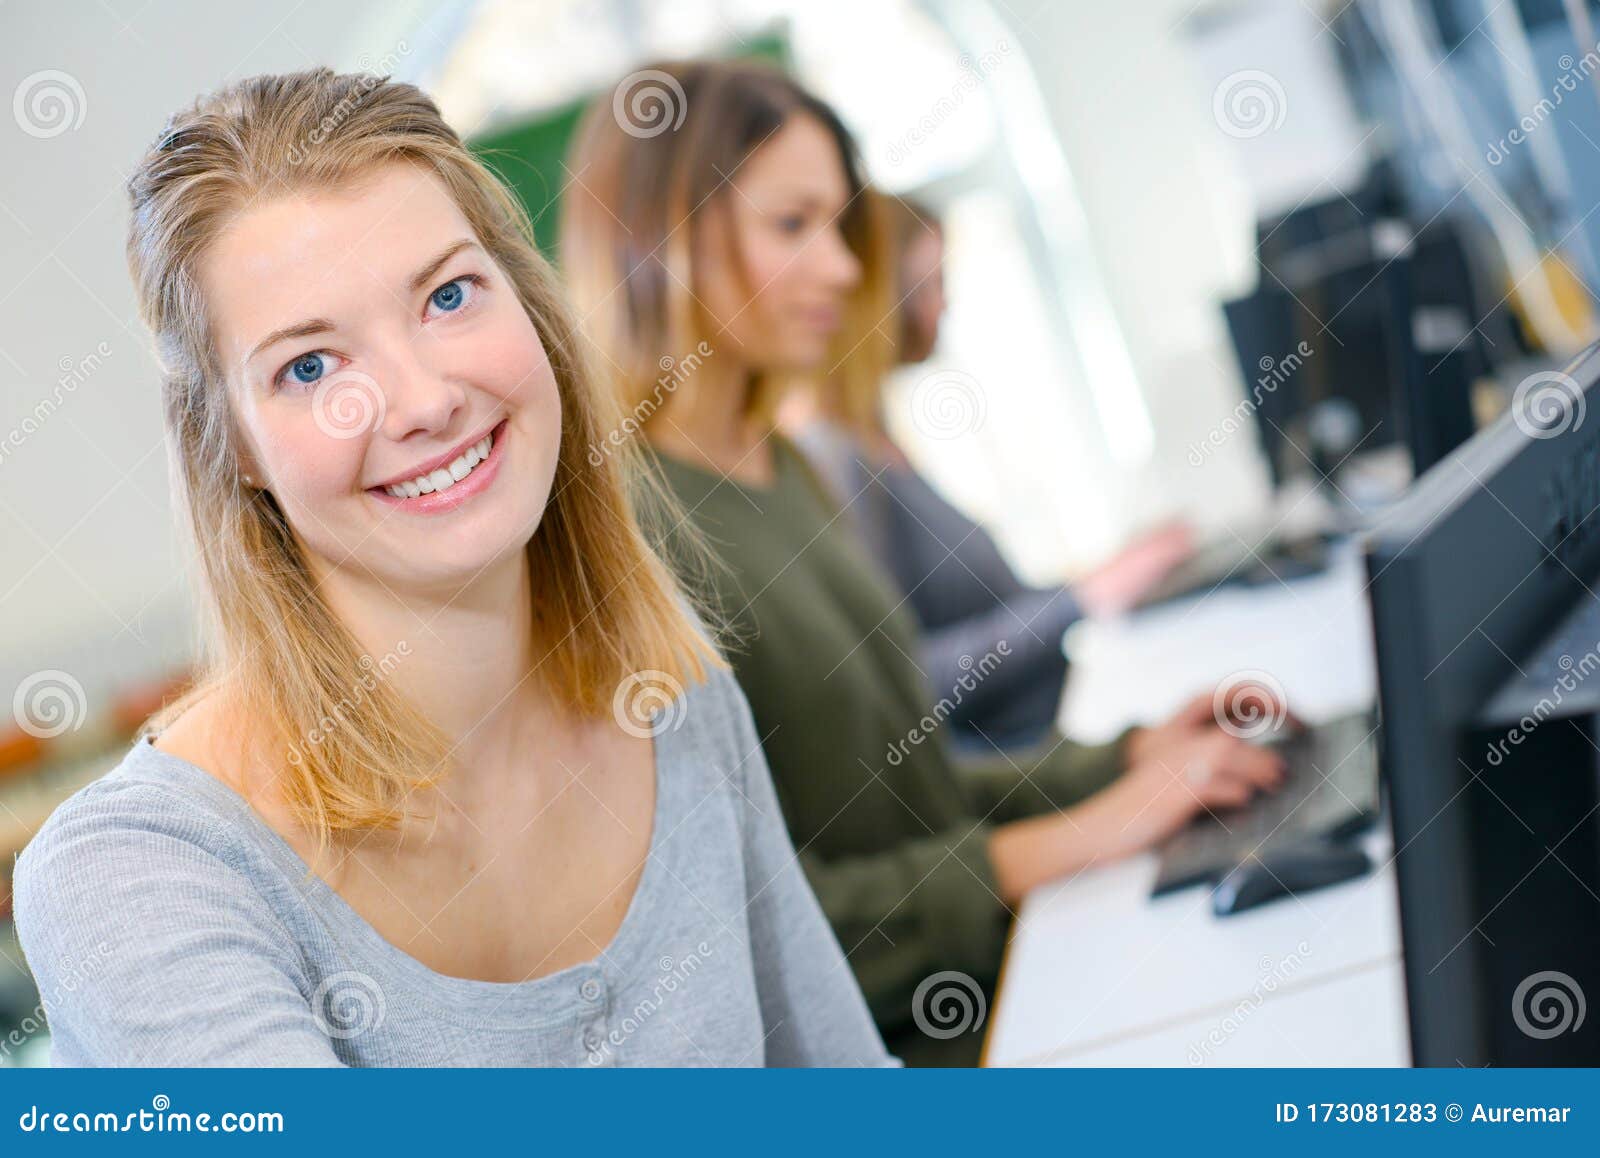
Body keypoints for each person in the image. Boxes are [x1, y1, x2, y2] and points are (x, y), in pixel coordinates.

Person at [12, 68, 891, 1068]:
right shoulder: (141, 875)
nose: (421, 399)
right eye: (310, 365)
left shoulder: (682, 713)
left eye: (448, 295)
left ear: (532, 307)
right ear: (236, 448)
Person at [561, 59, 1286, 1066]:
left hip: (997, 983)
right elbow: (753, 922)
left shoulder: (782, 469)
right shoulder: (626, 540)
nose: (844, 269)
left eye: (838, 227)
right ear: (665, 238)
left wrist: (1122, 761)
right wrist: (1083, 833)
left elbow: (901, 791)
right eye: (791, 226)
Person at [784, 194, 1194, 750]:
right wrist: (1083, 599)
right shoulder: (836, 460)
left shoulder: (875, 440)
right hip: (1017, 770)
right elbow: (906, 683)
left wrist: (1106, 577)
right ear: (880, 298)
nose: (944, 305)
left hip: (1056, 732)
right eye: (930, 284)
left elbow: (995, 609)